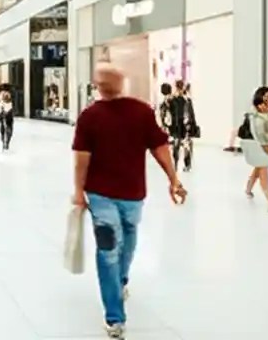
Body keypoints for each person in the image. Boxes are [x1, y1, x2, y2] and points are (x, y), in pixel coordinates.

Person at [73, 64, 186, 339]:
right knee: (109, 248)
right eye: (102, 79)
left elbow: (160, 147)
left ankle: (120, 280)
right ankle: (115, 315)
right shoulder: (91, 116)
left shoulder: (140, 112)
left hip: (133, 194)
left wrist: (174, 179)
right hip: (102, 195)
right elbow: (81, 157)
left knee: (129, 241)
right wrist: (78, 190)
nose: (105, 83)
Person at [242, 86, 268, 214]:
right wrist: (265, 146)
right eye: (267, 97)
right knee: (263, 169)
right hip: (258, 146)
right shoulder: (254, 115)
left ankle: (248, 189)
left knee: (259, 169)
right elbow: (256, 133)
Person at [159, 81, 197, 172]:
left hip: (177, 125)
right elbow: (191, 114)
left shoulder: (171, 99)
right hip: (183, 124)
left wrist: (164, 124)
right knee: (185, 145)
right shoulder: (185, 99)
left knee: (177, 145)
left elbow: (163, 111)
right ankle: (186, 165)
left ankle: (176, 165)